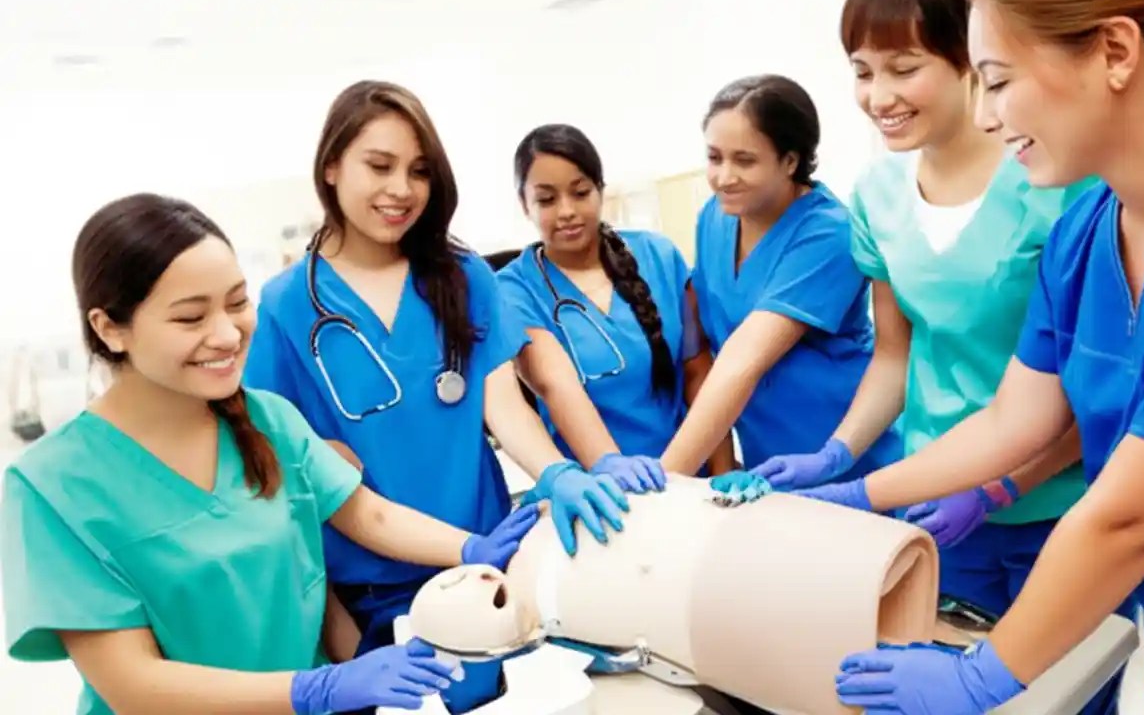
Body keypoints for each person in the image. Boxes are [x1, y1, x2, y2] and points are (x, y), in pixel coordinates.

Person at [792, 0, 1144, 713]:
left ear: (1115, 52)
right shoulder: (1085, 229)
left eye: (997, 80)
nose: (987, 117)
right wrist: (858, 493)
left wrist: (982, 676)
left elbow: (1128, 518)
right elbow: (1013, 421)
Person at [0, 193, 540, 715]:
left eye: (237, 302)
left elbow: (367, 514)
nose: (227, 334)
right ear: (109, 328)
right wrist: (315, 690)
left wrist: (473, 548)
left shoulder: (265, 420)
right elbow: (134, 685)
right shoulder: (52, 486)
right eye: (191, 318)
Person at [742, 0, 1132, 712]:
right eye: (862, 72)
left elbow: (1096, 388)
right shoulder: (877, 195)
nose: (878, 96)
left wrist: (997, 487)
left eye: (904, 68)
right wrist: (836, 453)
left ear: (969, 62)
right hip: (934, 508)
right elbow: (895, 356)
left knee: (1070, 695)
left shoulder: (1061, 182)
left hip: (1065, 505)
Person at [242, 80, 629, 712]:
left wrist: (557, 472)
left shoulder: (460, 274)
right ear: (331, 165)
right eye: (379, 165)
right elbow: (287, 471)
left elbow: (499, 403)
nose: (401, 190)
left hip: (484, 578)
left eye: (419, 171)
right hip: (371, 597)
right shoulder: (288, 305)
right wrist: (335, 627)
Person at [662, 74, 903, 478]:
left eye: (745, 160)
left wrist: (665, 486)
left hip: (848, 461)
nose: (723, 177)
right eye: (714, 157)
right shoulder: (715, 218)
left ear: (790, 161)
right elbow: (705, 346)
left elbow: (743, 359)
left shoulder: (828, 232)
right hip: (768, 467)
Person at [495, 123, 734, 487]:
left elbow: (699, 373)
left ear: (600, 189)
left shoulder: (659, 256)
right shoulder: (513, 290)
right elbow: (556, 385)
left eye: (580, 192)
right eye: (547, 199)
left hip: (690, 484)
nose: (567, 211)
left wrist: (724, 474)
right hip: (604, 496)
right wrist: (611, 468)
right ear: (523, 204)